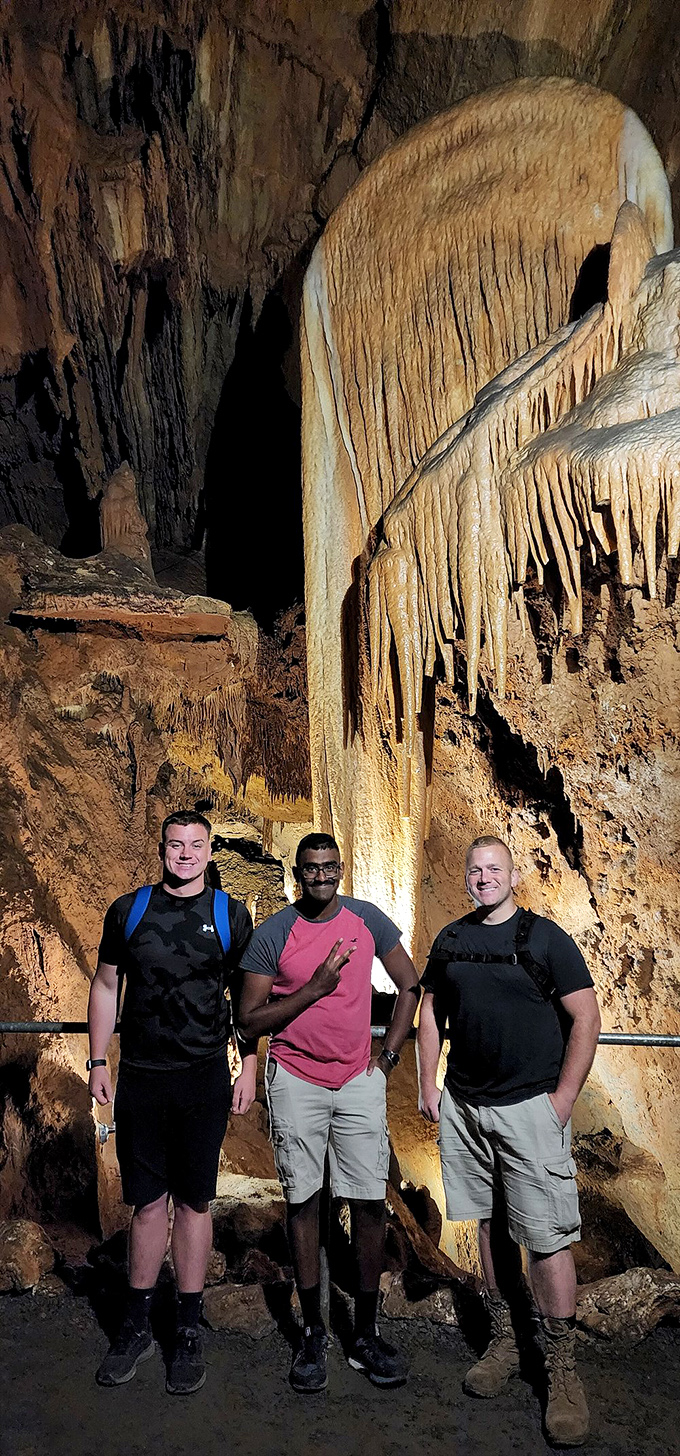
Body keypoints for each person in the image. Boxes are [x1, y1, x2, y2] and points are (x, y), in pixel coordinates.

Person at [417, 835, 601, 1448]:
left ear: (513, 876)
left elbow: (586, 1017)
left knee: (545, 1236)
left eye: (494, 869)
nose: (483, 878)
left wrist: (563, 1101)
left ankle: (561, 1367)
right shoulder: (450, 940)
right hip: (467, 1106)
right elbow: (429, 1011)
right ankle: (505, 1339)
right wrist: (428, 1082)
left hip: (530, 1108)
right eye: (475, 870)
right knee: (487, 1224)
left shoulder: (546, 939)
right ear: (466, 879)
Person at [237, 831, 419, 1393]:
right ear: (298, 873)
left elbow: (411, 986)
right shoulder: (273, 935)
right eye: (311, 869)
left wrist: (386, 1057)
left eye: (330, 867)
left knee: (368, 1201)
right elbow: (248, 1021)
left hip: (359, 1079)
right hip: (295, 1080)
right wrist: (314, 989)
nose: (320, 876)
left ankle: (363, 1332)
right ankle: (314, 1331)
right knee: (303, 1201)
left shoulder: (369, 921)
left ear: (341, 869)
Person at [87, 810, 257, 1394]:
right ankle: (135, 1324)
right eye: (175, 844)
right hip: (142, 1077)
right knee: (147, 1204)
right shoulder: (128, 910)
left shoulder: (230, 914)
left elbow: (247, 997)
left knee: (195, 1203)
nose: (185, 854)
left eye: (196, 845)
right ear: (161, 849)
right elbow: (107, 985)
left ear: (210, 851)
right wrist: (97, 1058)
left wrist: (250, 1063)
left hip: (202, 1076)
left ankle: (186, 1327)